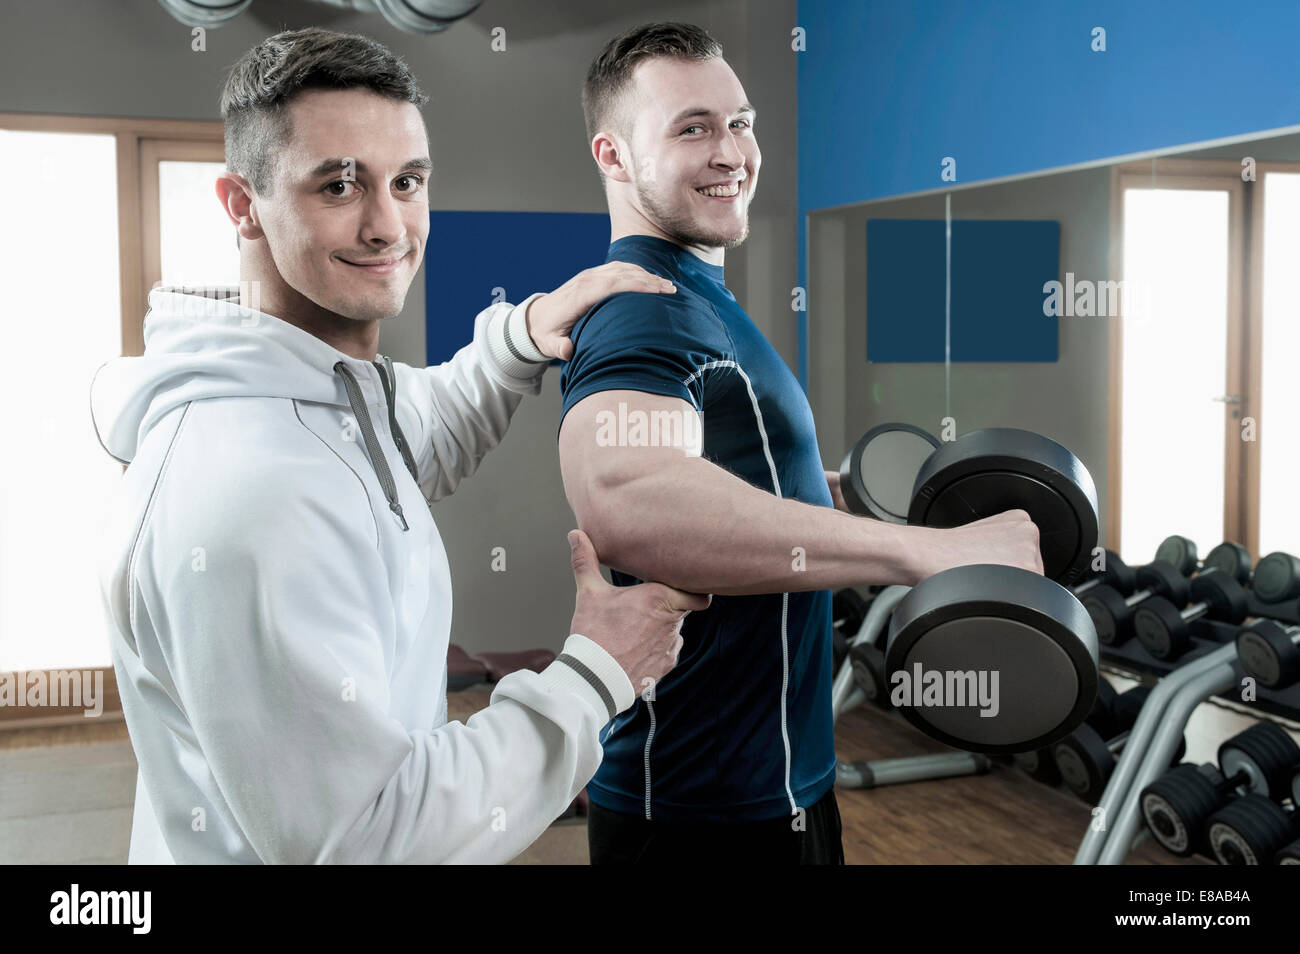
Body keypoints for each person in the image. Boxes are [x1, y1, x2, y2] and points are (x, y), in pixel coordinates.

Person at [90, 26, 708, 864]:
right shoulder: (252, 494)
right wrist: (594, 674)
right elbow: (370, 839)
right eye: (339, 185)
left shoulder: (313, 397)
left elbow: (412, 431)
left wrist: (519, 336)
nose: (389, 226)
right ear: (243, 206)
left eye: (407, 182)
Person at [557, 21, 1043, 864]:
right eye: (692, 128)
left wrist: (819, 489)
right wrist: (924, 552)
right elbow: (629, 499)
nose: (732, 151)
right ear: (612, 155)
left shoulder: (701, 295)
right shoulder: (647, 306)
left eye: (741, 121)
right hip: (700, 810)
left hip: (774, 781)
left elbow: (714, 470)